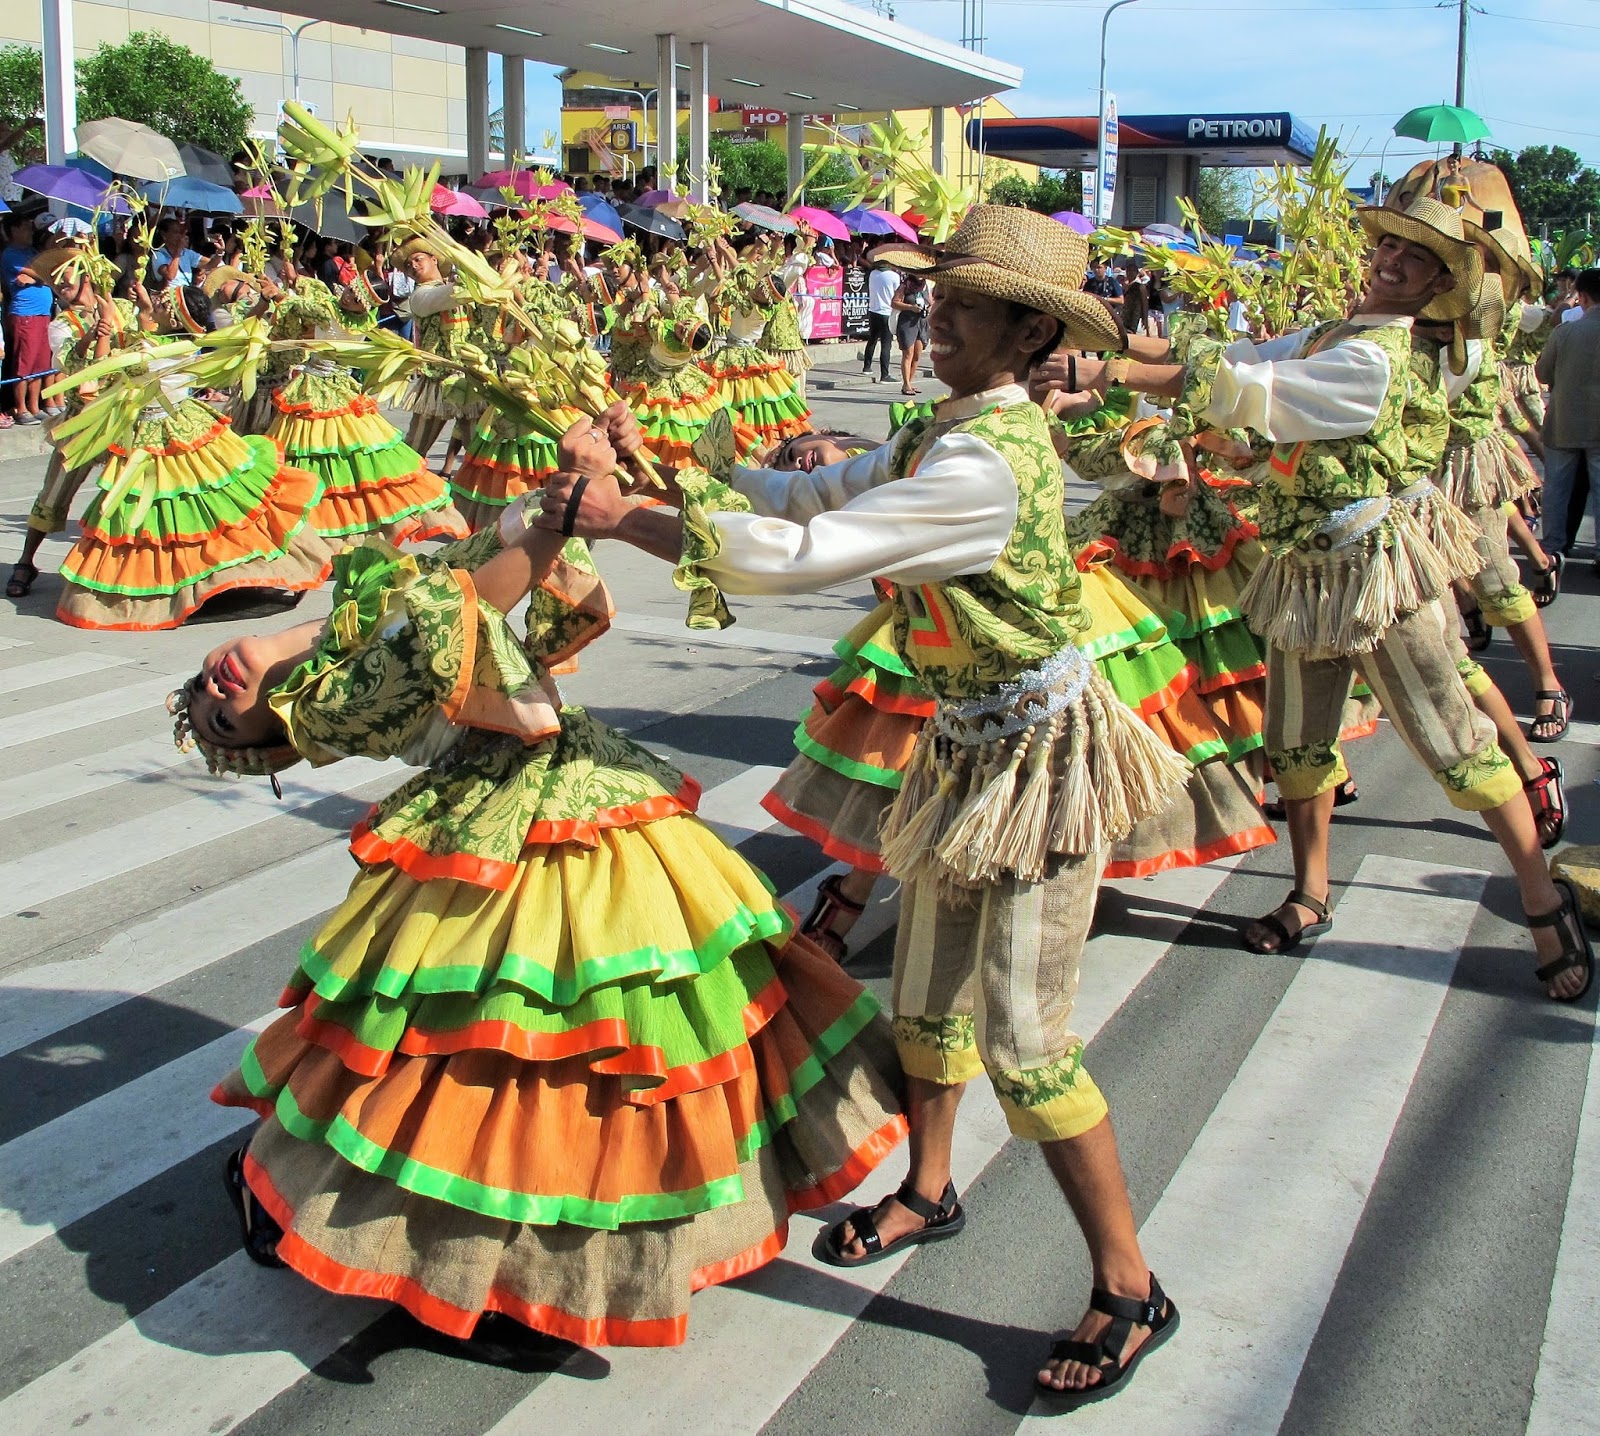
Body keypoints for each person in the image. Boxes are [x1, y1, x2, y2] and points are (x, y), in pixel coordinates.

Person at [540, 207, 1191, 1405]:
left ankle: (1127, 1283)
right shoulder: (941, 433)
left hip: (1040, 764)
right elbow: (803, 497)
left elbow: (809, 555)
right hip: (963, 748)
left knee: (1026, 1042)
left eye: (964, 306)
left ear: (1030, 333)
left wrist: (624, 517)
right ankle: (929, 1188)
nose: (934, 316)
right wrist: (660, 466)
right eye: (938, 295)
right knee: (928, 1001)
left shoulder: (983, 466)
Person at [174, 416, 906, 1350]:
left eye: (202, 690)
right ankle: (478, 1264)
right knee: (507, 1057)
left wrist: (573, 478)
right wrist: (566, 509)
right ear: (279, 740)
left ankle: (534, 1267)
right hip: (501, 828)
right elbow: (469, 599)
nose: (217, 692)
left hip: (590, 793)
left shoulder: (343, 618)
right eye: (226, 722)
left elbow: (485, 552)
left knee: (634, 1034)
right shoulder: (331, 702)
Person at [1095, 197, 1591, 1001]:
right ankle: (1311, 893)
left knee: (1455, 743)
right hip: (1301, 574)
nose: (1392, 260)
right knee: (1297, 746)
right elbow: (1237, 355)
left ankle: (1542, 898)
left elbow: (1248, 389)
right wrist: (1107, 343)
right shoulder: (1332, 335)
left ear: (1436, 285)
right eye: (1389, 244)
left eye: (1415, 257)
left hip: (1371, 572)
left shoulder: (1375, 360)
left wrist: (1114, 370)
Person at [1534, 268, 1600, 565]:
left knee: (1557, 489)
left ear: (1582, 297)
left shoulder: (1565, 333)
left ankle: (1552, 549)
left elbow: (1543, 373)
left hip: (1564, 422)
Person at [2, 212, 52, 425]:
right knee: (25, 363)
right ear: (14, 230)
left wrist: (36, 279)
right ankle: (21, 407)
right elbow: (44, 275)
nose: (31, 231)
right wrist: (39, 277)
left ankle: (34, 405)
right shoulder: (11, 254)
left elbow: (50, 273)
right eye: (26, 227)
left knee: (40, 362)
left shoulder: (32, 251)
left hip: (43, 314)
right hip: (26, 315)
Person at [892, 271, 929, 396]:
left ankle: (910, 382)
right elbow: (894, 302)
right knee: (908, 353)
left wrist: (927, 308)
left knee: (917, 355)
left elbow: (931, 301)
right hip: (907, 322)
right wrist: (911, 307)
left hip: (921, 322)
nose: (920, 275)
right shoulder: (905, 285)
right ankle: (906, 384)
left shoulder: (925, 285)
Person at [861, 260, 898, 383]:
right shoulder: (894, 276)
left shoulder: (873, 274)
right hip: (887, 312)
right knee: (886, 344)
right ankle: (884, 375)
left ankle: (867, 366)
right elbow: (898, 293)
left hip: (873, 310)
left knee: (872, 339)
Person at [149, 215, 205, 291]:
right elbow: (170, 276)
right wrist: (178, 251)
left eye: (180, 232)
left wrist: (219, 253)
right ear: (163, 234)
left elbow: (210, 263)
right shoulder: (158, 255)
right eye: (175, 232)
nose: (179, 236)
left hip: (185, 293)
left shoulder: (186, 253)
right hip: (169, 294)